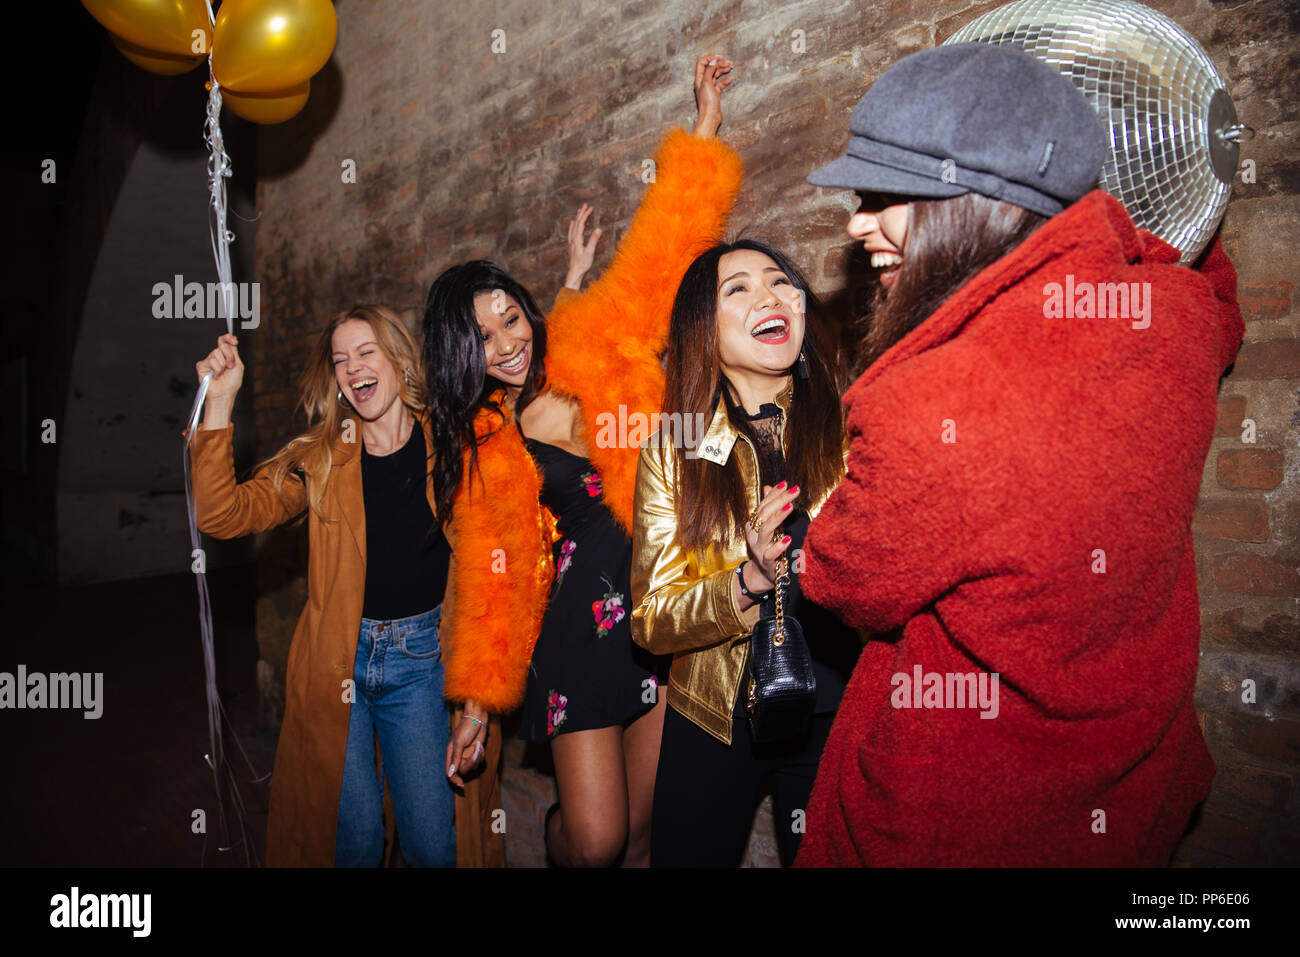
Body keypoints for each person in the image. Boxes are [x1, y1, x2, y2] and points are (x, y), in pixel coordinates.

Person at [794, 43, 1244, 866]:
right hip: (1129, 797)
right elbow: (1212, 285)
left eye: (885, 196)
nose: (857, 224)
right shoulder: (1175, 318)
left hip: (961, 822)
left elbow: (841, 577)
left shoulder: (929, 405)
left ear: (983, 206)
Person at [421, 55, 744, 867]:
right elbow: (494, 579)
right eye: (482, 337)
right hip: (577, 630)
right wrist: (475, 707)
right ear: (462, 355)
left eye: (510, 317)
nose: (506, 342)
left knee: (642, 830)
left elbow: (658, 264)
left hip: (657, 607)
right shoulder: (488, 446)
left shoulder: (588, 337)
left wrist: (704, 125)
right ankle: (556, 847)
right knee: (595, 839)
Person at [189, 306, 463, 867]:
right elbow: (221, 515)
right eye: (340, 360)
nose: (352, 367)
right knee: (354, 842)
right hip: (338, 662)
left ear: (398, 358)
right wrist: (219, 402)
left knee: (432, 845)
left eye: (365, 352)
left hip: (420, 664)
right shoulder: (321, 458)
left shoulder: (451, 445)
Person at [629, 238, 861, 867]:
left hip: (839, 709)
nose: (770, 296)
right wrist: (748, 582)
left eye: (781, 282)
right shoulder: (674, 450)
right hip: (716, 712)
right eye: (739, 288)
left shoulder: (852, 427)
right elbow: (650, 619)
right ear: (704, 331)